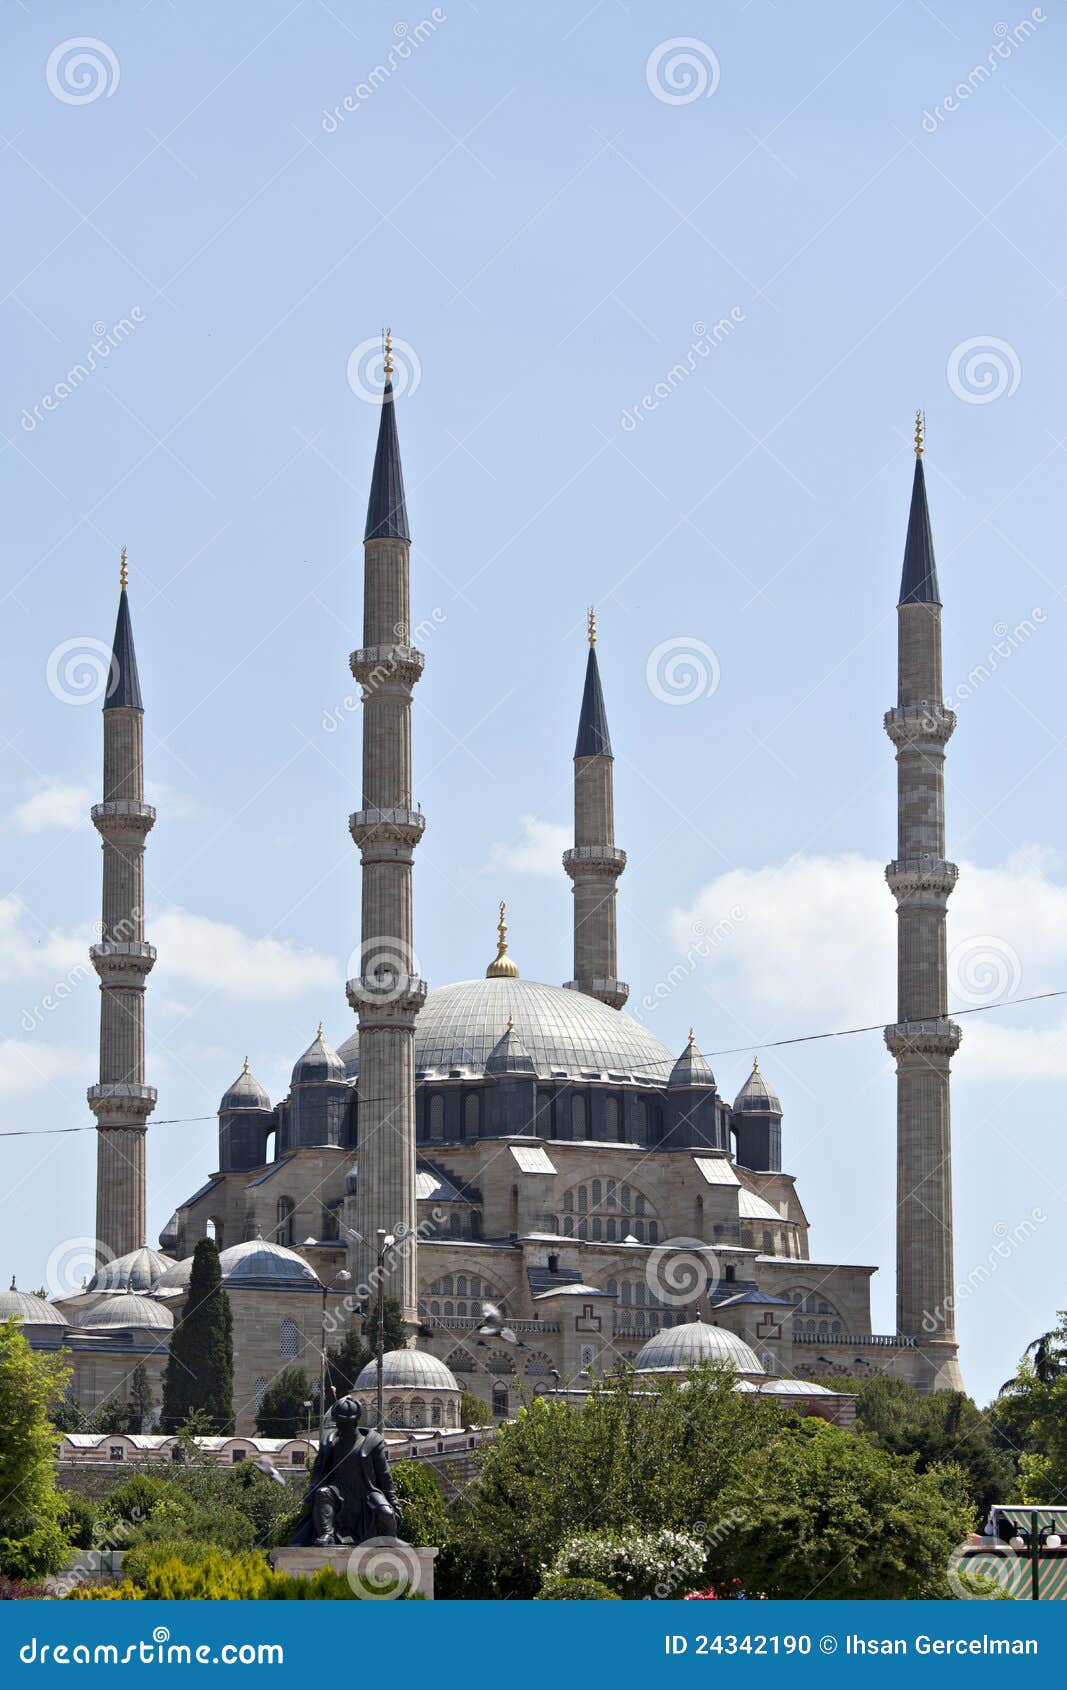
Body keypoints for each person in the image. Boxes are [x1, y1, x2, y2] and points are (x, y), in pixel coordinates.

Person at [288, 1395, 403, 1547]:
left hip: (366, 1492)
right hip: (337, 1490)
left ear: (355, 1421)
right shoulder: (329, 1442)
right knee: (322, 1493)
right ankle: (327, 1534)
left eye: (346, 1423)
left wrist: (393, 1501)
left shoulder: (373, 1443)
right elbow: (318, 1470)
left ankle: (391, 1540)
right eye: (339, 1423)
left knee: (387, 1514)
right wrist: (312, 1487)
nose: (341, 1427)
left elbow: (384, 1475)